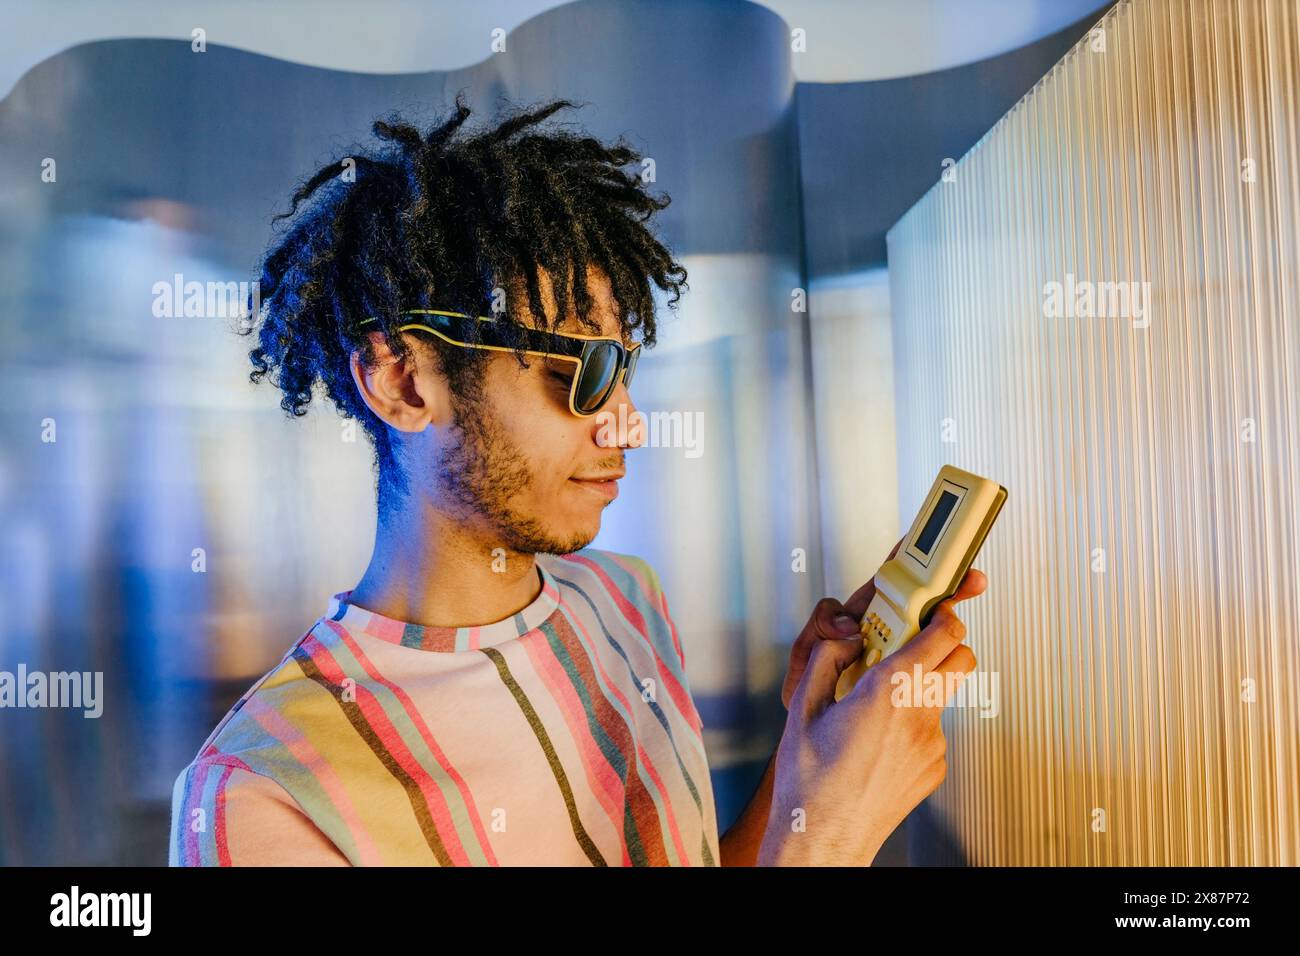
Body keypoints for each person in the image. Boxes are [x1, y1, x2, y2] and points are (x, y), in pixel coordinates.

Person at [168, 94, 987, 866]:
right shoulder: (262, 798)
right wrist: (835, 837)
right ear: (405, 382)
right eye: (584, 368)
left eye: (625, 367)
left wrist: (810, 767)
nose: (627, 423)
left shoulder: (627, 599)